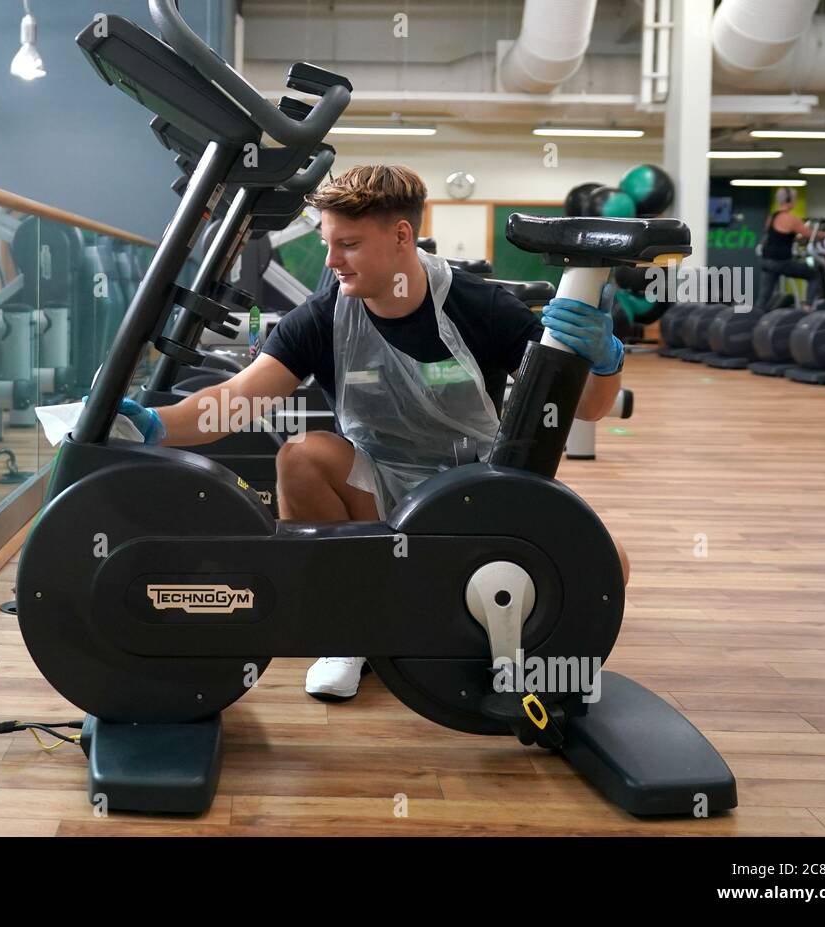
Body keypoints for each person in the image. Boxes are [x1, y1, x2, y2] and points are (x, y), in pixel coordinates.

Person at [118, 165, 629, 700]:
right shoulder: (321, 318)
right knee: (302, 456)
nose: (332, 261)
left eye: (350, 244)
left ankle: (471, 623)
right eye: (328, 243)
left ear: (401, 236)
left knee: (606, 560)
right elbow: (237, 401)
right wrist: (152, 424)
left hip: (474, 493)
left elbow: (586, 411)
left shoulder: (483, 308)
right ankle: (344, 632)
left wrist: (604, 361)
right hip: (377, 491)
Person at [755, 186, 825, 311]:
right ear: (790, 200)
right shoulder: (791, 218)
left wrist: (794, 239)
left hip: (766, 260)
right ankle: (807, 307)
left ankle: (754, 319)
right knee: (814, 275)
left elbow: (775, 235)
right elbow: (810, 234)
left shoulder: (772, 217)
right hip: (781, 261)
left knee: (764, 297)